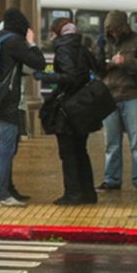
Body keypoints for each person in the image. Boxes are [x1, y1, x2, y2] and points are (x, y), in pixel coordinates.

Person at [0, 8, 47, 207]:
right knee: (6, 150)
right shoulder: (14, 41)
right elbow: (39, 63)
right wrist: (31, 43)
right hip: (6, 103)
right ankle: (3, 195)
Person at [35, 18, 99, 205]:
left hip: (68, 107)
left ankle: (72, 193)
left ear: (58, 32)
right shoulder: (83, 49)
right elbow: (96, 68)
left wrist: (45, 76)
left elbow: (70, 77)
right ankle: (88, 193)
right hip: (84, 105)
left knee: (68, 151)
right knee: (81, 150)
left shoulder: (63, 50)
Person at [96, 10, 137, 193]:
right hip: (109, 96)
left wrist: (125, 61)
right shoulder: (104, 42)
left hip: (133, 95)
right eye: (110, 31)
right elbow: (96, 68)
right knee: (111, 142)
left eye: (116, 30)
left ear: (123, 27)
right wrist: (100, 59)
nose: (113, 34)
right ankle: (111, 180)